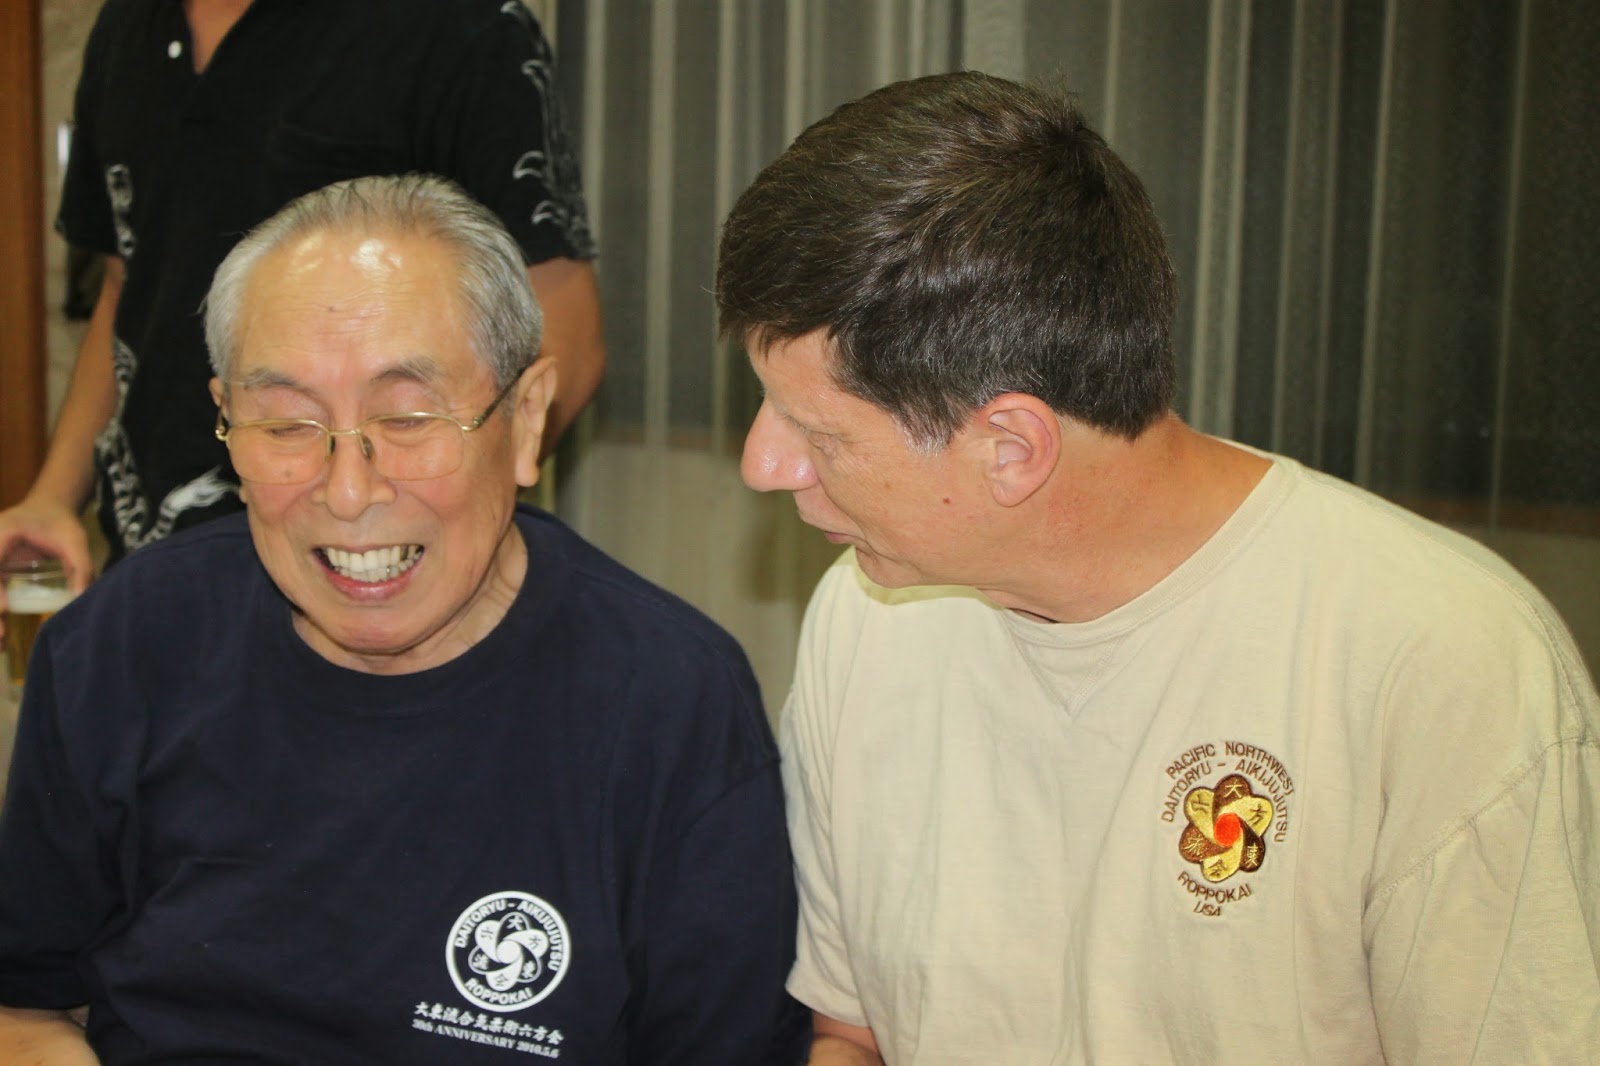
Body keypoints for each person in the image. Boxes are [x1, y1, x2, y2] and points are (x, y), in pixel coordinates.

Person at [716, 71, 1600, 1064]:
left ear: (1012, 446)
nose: (762, 464)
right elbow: (856, 1031)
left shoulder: (1438, 659)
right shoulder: (869, 613)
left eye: (818, 432)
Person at [0, 174, 808, 1065]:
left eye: (410, 416)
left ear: (527, 418)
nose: (348, 492)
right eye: (285, 423)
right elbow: (25, 1005)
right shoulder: (122, 643)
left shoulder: (667, 700)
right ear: (225, 422)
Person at [0, 0, 605, 611]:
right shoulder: (126, 27)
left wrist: (408, 545)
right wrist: (53, 497)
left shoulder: (457, 24)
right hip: (156, 584)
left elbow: (567, 341)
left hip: (363, 589)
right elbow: (126, 290)